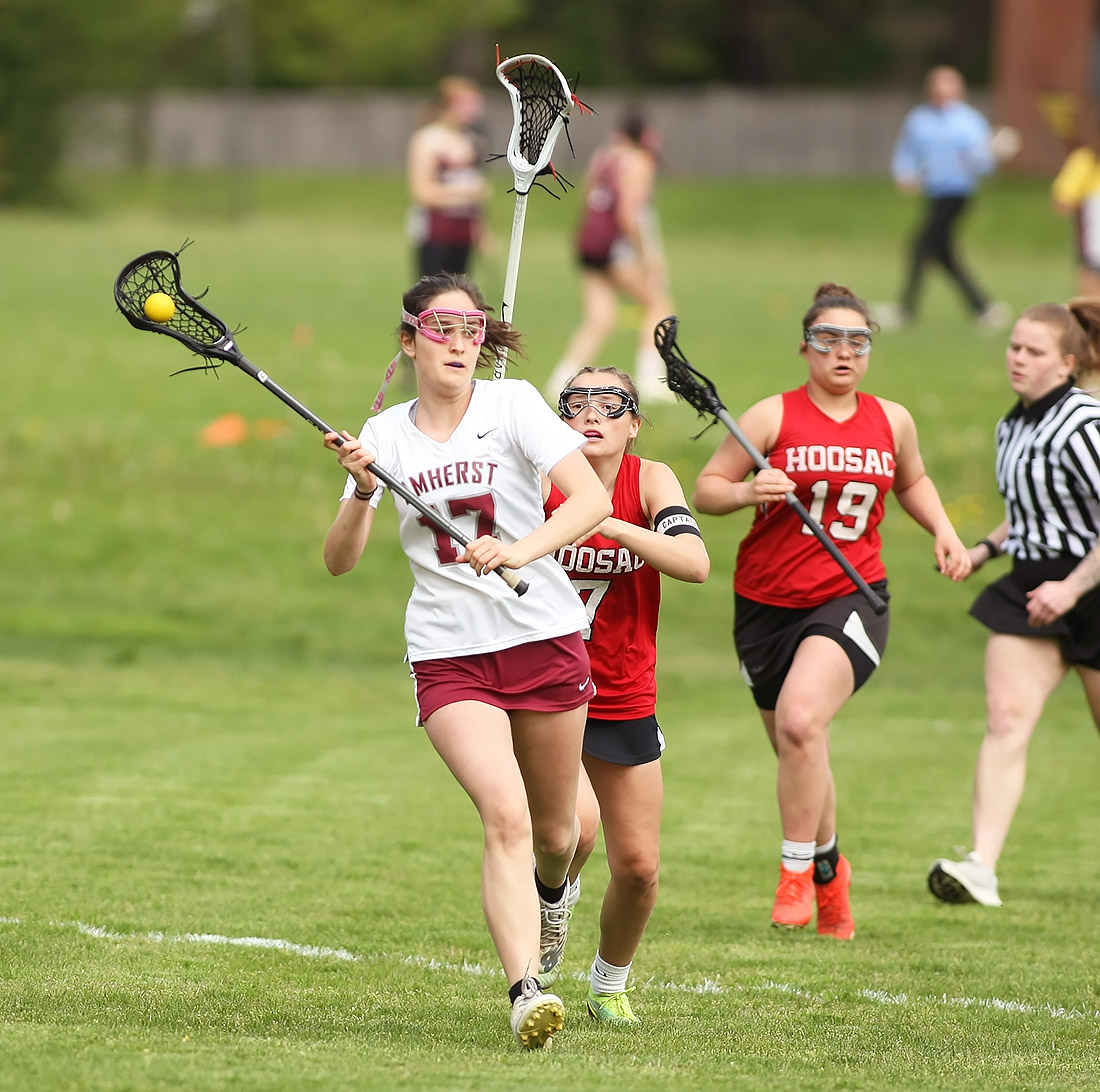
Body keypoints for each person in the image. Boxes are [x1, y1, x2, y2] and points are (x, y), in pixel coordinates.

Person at [322, 271, 612, 1049]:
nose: (459, 342)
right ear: (410, 339)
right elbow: (339, 562)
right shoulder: (381, 436)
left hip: (541, 635)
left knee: (562, 834)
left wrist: (517, 548)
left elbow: (592, 503)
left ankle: (554, 900)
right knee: (505, 813)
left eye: (473, 328)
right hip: (450, 653)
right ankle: (526, 992)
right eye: (442, 328)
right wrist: (358, 491)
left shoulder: (513, 405)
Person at [693, 282, 971, 937]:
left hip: (851, 597)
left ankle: (793, 874)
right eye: (829, 340)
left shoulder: (892, 419)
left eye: (858, 341)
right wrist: (746, 491)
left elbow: (912, 479)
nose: (843, 352)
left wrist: (944, 529)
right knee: (799, 744)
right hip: (764, 605)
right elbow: (706, 490)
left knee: (800, 720)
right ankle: (829, 872)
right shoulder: (772, 417)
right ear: (805, 347)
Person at [537, 367, 710, 1025]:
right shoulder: (537, 479)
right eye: (575, 402)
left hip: (624, 691)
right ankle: (553, 904)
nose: (592, 413)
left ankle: (609, 984)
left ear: (634, 424)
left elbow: (693, 563)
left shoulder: (652, 479)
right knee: (574, 828)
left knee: (638, 866)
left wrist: (609, 525)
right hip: (547, 687)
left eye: (611, 404)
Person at [928, 300, 1100, 907]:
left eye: (1033, 351)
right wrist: (981, 550)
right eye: (1014, 347)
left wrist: (1074, 587)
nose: (1017, 359)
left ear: (1068, 363)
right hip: (1032, 588)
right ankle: (981, 866)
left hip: (1090, 589)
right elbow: (1032, 511)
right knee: (1005, 721)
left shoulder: (1084, 423)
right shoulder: (1014, 424)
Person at [544, 112, 674, 404]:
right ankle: (651, 379)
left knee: (599, 319)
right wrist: (647, 257)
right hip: (619, 250)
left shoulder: (603, 156)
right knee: (658, 304)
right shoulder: (638, 162)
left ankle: (560, 380)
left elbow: (587, 200)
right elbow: (629, 216)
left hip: (592, 247)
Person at [883, 65, 1009, 331]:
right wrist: (905, 173)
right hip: (933, 193)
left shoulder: (968, 121)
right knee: (943, 254)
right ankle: (984, 308)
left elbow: (983, 162)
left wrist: (991, 155)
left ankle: (906, 310)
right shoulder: (920, 119)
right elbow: (908, 151)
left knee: (920, 247)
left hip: (957, 194)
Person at [407, 77, 490, 278]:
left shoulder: (473, 142)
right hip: (434, 233)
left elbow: (477, 202)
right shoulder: (427, 140)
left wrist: (482, 232)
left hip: (463, 234)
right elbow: (422, 192)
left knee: (460, 293)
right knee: (432, 293)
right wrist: (466, 192)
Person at [1051, 129, 1100, 299]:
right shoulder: (1086, 160)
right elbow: (1062, 203)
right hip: (1093, 250)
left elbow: (1062, 203)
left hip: (1093, 249)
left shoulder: (1086, 159)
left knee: (1091, 309)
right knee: (1091, 307)